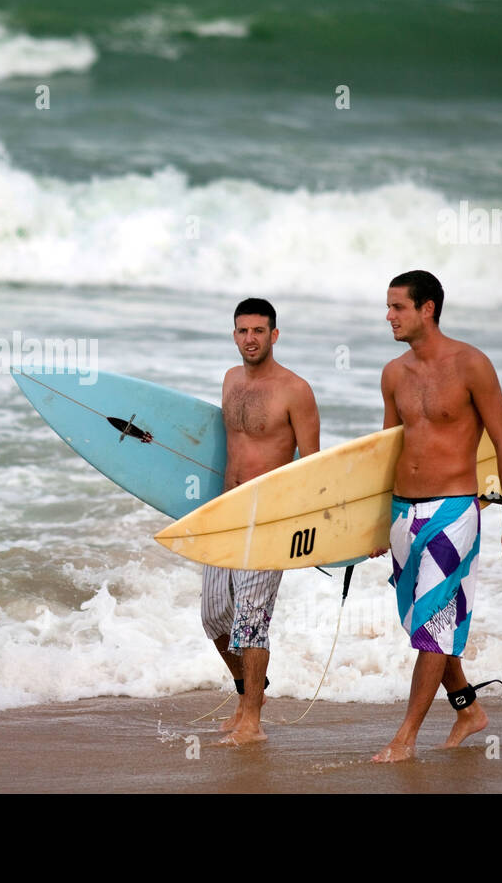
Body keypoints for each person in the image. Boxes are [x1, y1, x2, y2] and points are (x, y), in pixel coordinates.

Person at [371, 270, 502, 763]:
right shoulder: (393, 373)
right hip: (402, 510)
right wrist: (376, 522)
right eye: (389, 306)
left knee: (436, 625)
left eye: (399, 307)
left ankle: (405, 739)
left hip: (454, 510)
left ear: (428, 309)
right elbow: (385, 450)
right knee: (422, 623)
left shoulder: (471, 365)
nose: (390, 316)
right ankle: (468, 709)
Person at [205, 298, 319, 745]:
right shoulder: (230, 380)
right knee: (215, 616)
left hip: (269, 518)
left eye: (258, 331)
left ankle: (251, 721)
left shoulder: (295, 389)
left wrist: (309, 529)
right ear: (234, 335)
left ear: (275, 335)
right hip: (225, 513)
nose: (249, 339)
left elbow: (312, 466)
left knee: (251, 620)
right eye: (241, 331)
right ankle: (250, 694)